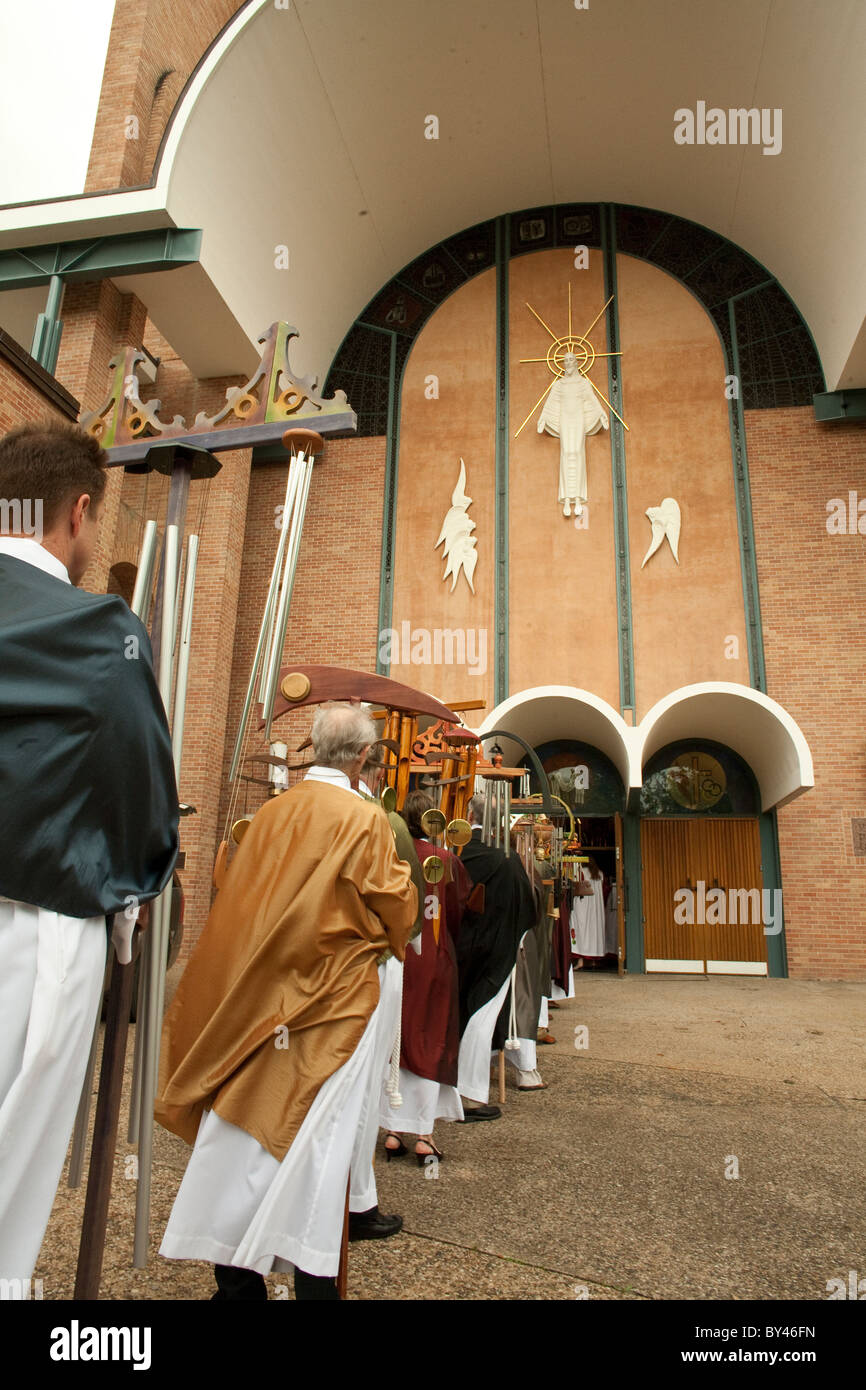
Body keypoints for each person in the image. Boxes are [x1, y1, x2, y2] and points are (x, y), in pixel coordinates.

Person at [156, 702, 417, 1300]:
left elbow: (239, 896)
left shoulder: (272, 814)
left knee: (241, 1125)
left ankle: (235, 1278)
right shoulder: (366, 819)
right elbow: (395, 902)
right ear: (362, 758)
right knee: (314, 1140)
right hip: (332, 1003)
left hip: (256, 998)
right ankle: (312, 1279)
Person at [0, 422, 179, 1292]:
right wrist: (136, 885)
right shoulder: (98, 631)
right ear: (77, 512)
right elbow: (141, 796)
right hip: (30, 930)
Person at [379, 790, 472, 1164]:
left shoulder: (394, 857)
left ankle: (391, 1131)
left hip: (399, 955)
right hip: (434, 957)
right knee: (431, 1040)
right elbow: (458, 909)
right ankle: (423, 1134)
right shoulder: (446, 860)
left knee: (395, 1039)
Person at [455, 794, 537, 1118]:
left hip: (457, 949)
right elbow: (527, 908)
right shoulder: (508, 857)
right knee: (481, 1018)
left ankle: (447, 1086)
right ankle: (470, 1095)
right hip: (495, 950)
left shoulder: (455, 852)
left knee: (457, 1013)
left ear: (468, 815)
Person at [537, 352, 609, 516]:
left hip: (578, 419)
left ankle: (577, 497)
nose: (568, 363)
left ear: (577, 362)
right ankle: (566, 499)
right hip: (565, 419)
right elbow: (549, 403)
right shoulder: (559, 385)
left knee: (577, 452)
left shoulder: (583, 383)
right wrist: (542, 419)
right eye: (565, 360)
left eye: (571, 360)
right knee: (566, 453)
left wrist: (602, 414)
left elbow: (592, 400)